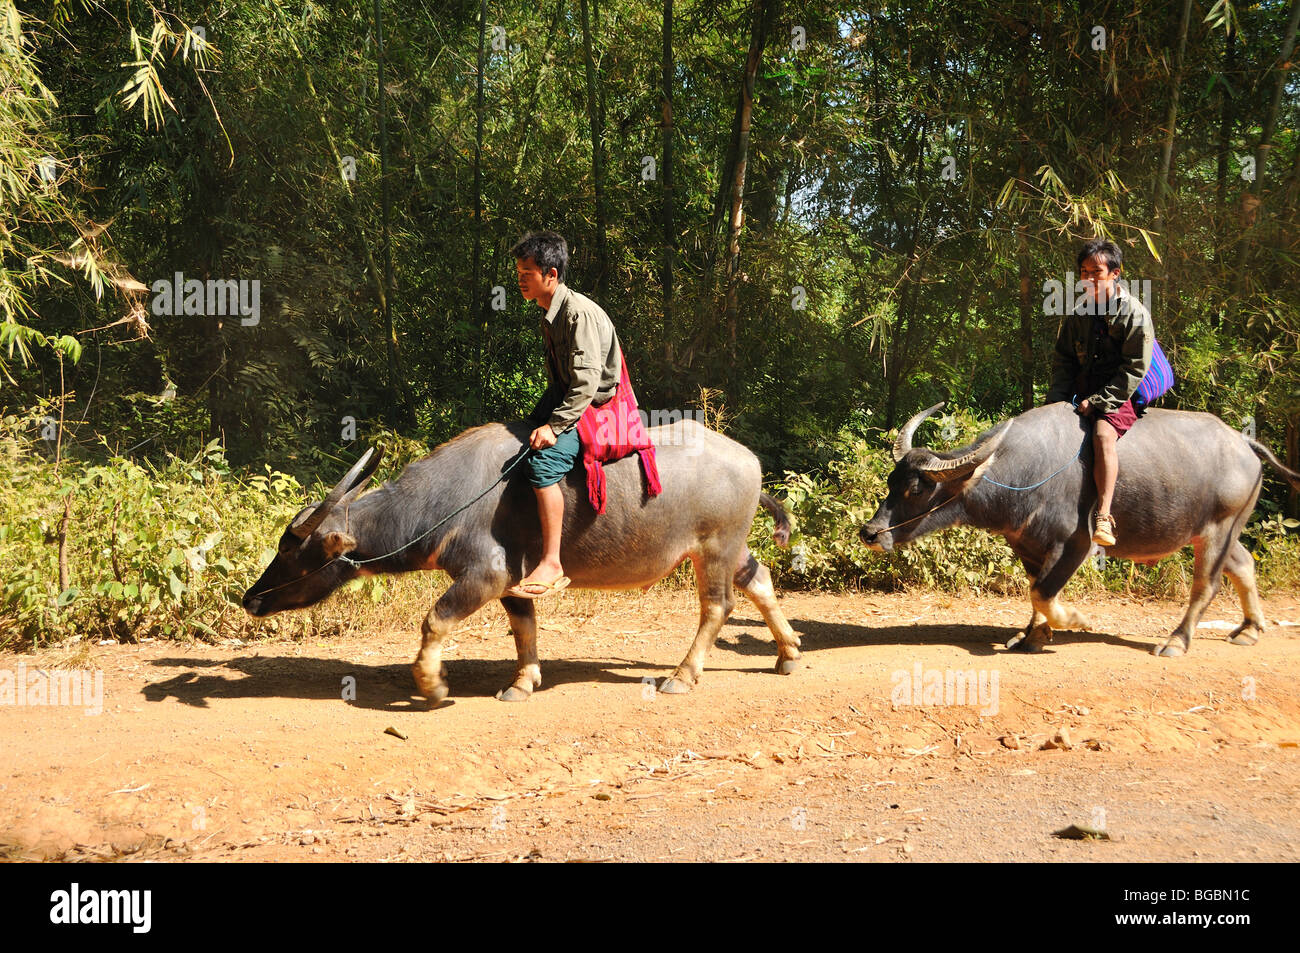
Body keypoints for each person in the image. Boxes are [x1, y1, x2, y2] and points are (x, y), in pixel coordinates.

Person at [506, 231, 623, 598]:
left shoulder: (577, 314)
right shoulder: (549, 312)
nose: (521, 278)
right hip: (564, 394)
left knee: (541, 464)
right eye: (519, 271)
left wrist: (554, 427)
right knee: (518, 435)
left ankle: (553, 563)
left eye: (528, 272)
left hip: (594, 404)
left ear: (551, 274)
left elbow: (587, 385)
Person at [1044, 238, 1153, 547]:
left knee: (1103, 436)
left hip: (1120, 394)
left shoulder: (1134, 314)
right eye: (1084, 271)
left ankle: (1103, 516)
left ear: (1114, 274)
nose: (1089, 278)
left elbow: (1134, 368)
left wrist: (1100, 401)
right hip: (1083, 391)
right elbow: (1063, 360)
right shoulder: (1079, 313)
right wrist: (1055, 401)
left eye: (1097, 271)